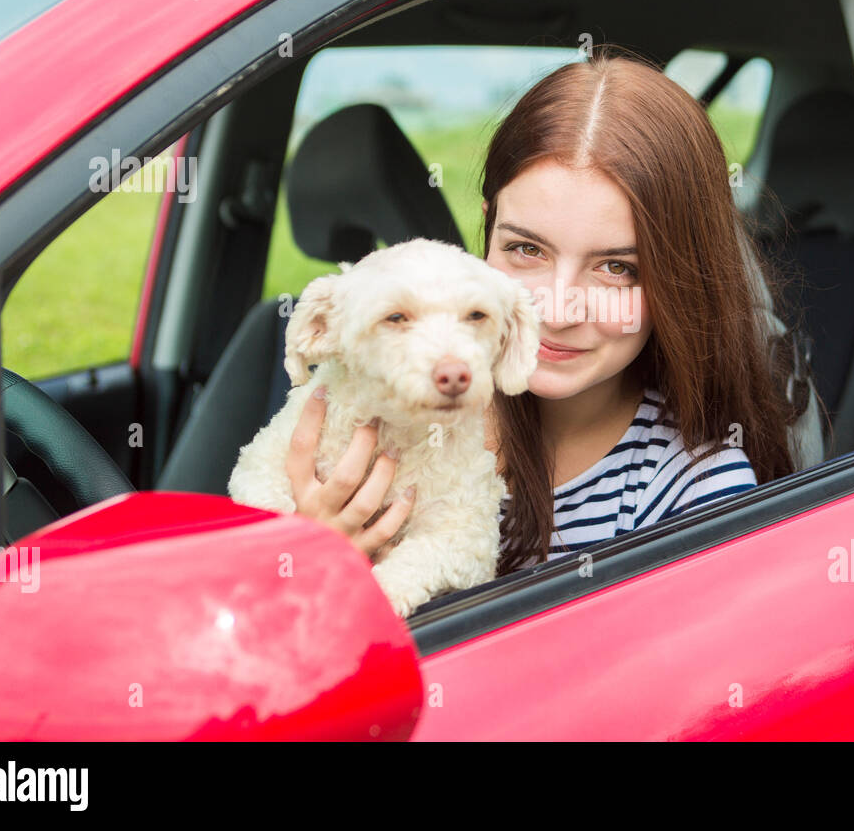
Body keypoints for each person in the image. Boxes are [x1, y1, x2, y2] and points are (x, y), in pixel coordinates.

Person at [284, 46, 800, 577]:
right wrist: (310, 558)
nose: (556, 309)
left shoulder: (695, 493)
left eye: (617, 268)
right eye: (527, 250)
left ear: (676, 280)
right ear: (488, 229)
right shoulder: (373, 409)